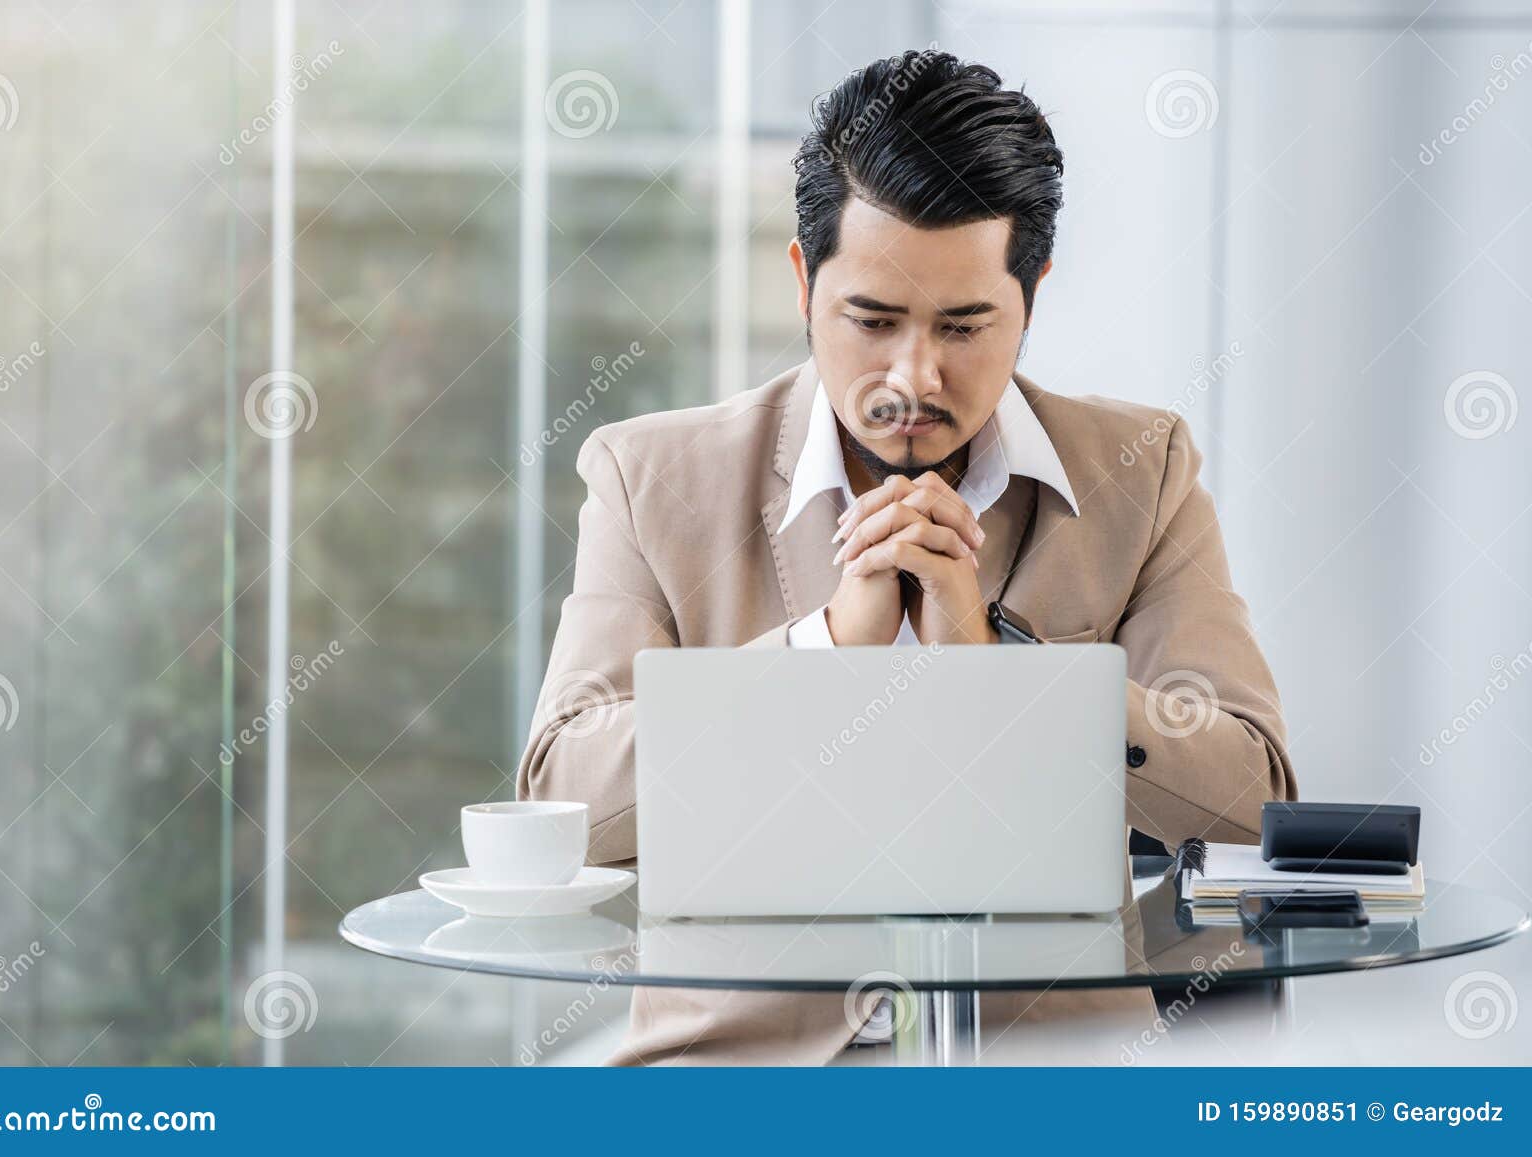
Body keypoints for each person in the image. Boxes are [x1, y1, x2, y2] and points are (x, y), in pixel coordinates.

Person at [517, 49, 1295, 1065]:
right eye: (873, 321)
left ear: (1031, 296)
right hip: (735, 1072)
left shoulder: (1139, 472)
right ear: (804, 282)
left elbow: (1251, 797)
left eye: (964, 326)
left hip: (1049, 1078)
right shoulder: (653, 476)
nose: (914, 377)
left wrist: (1003, 669)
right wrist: (822, 650)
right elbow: (561, 803)